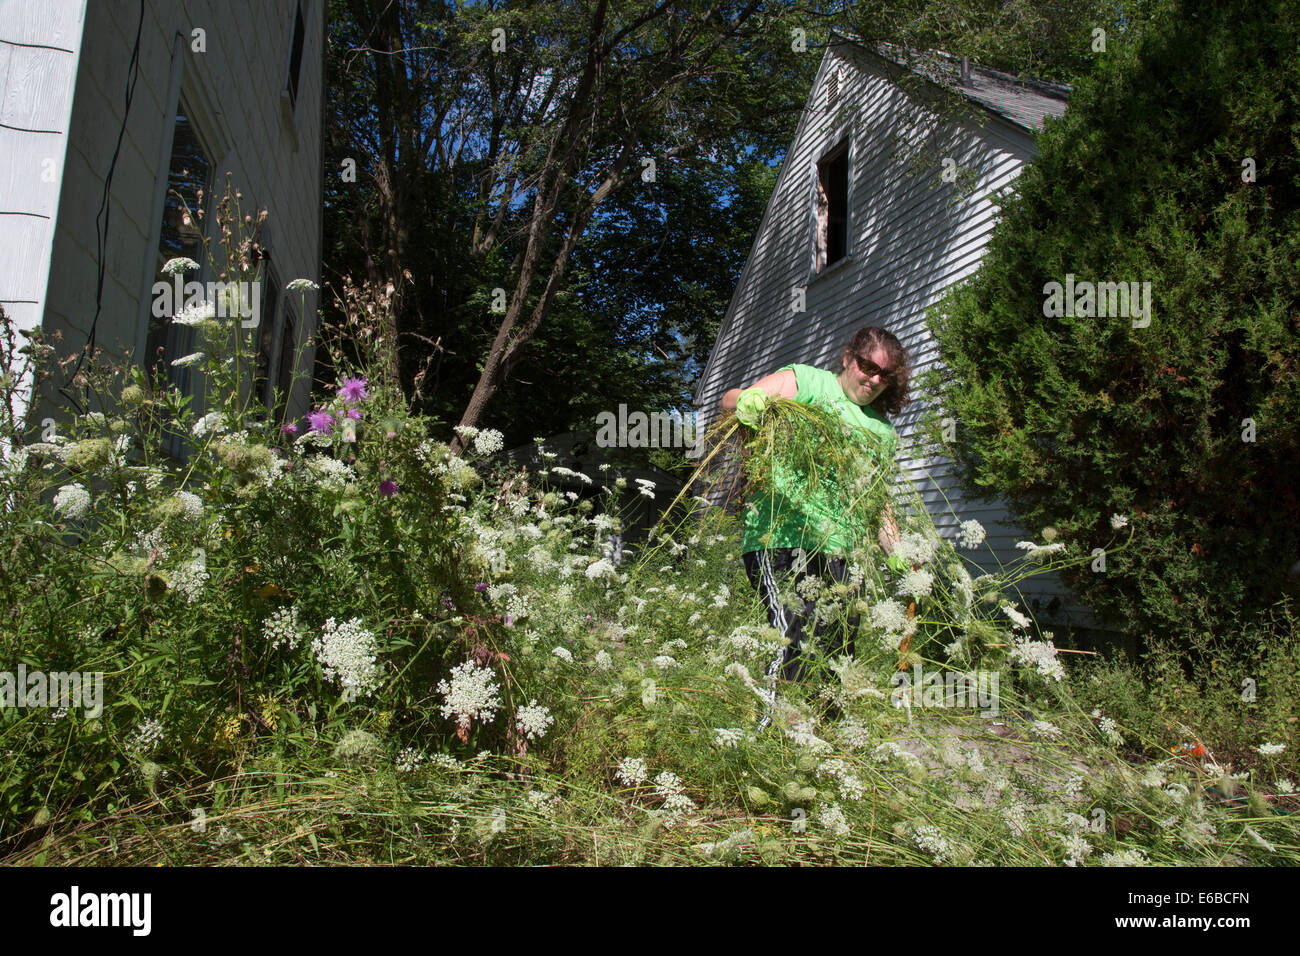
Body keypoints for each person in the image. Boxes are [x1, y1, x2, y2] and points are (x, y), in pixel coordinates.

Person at [719, 327, 911, 720]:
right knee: (790, 640)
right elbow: (729, 400)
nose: (874, 379)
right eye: (867, 366)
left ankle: (824, 746)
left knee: (838, 655)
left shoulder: (882, 432)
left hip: (844, 551)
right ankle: (771, 739)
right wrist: (749, 401)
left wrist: (899, 553)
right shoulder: (807, 382)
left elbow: (877, 500)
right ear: (848, 359)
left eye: (884, 375)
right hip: (781, 538)